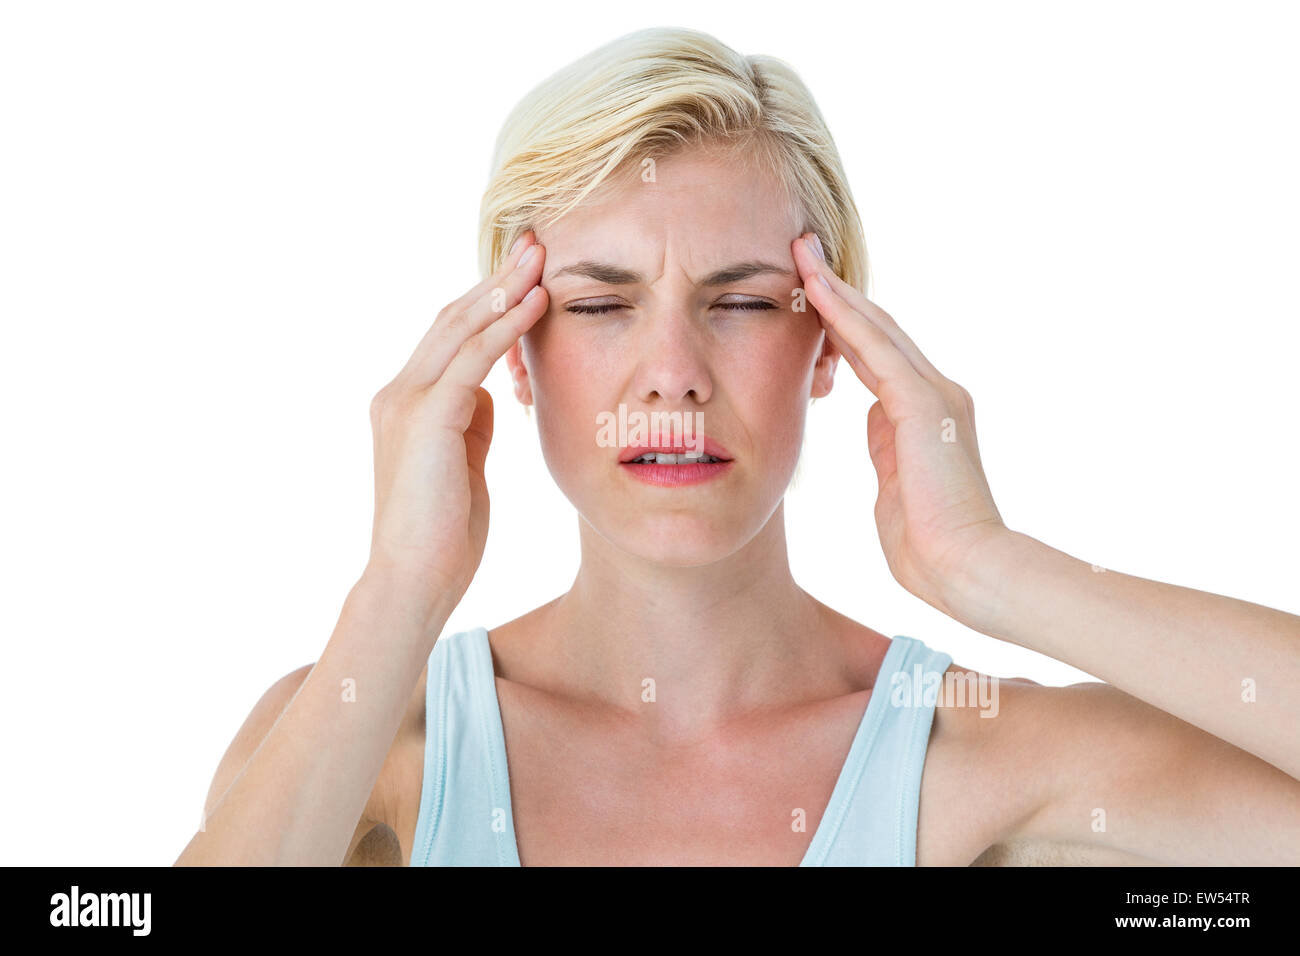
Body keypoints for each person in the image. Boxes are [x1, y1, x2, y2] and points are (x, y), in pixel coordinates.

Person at [175, 27, 1300, 867]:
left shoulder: (980, 753)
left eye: (744, 301)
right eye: (602, 303)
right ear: (511, 354)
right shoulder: (369, 730)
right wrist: (397, 589)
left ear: (830, 344)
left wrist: (987, 565)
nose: (673, 369)